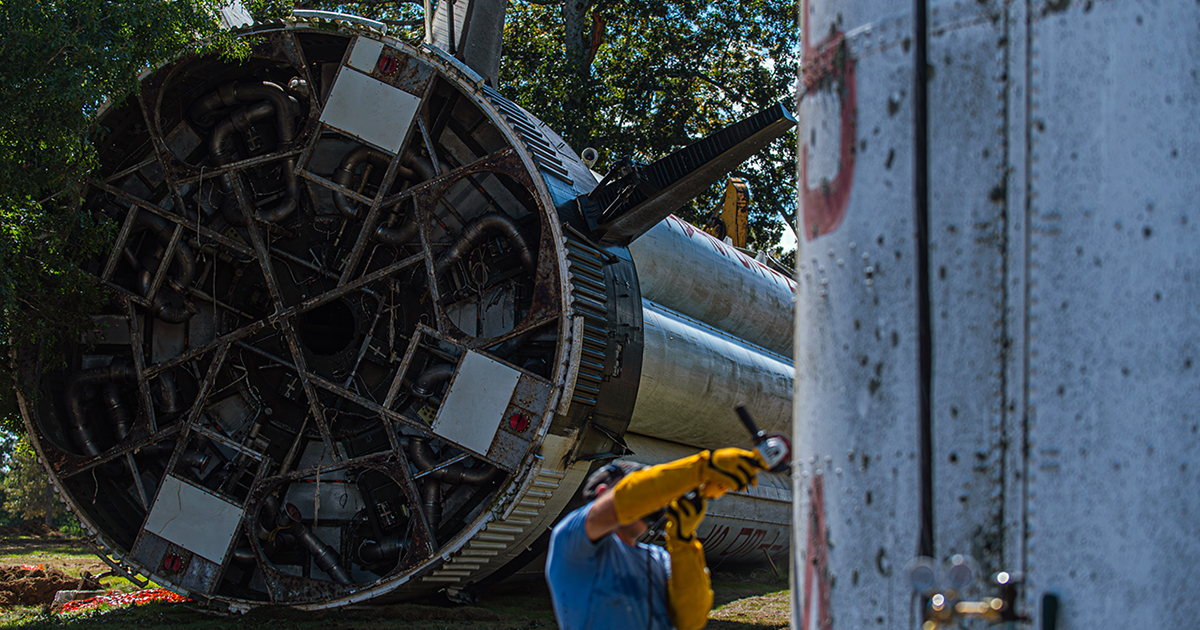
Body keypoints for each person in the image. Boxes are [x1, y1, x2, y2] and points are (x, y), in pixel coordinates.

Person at [545, 448, 767, 630]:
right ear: (603, 492)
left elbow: (691, 620)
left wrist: (682, 540)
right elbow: (625, 501)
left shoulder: (659, 558)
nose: (654, 502)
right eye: (644, 489)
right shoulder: (571, 540)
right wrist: (702, 468)